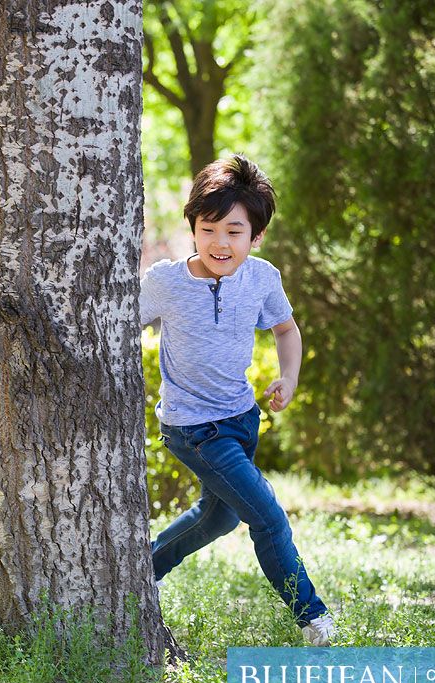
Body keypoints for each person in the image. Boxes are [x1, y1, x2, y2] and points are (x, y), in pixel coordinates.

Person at [139, 155, 336, 646]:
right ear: (192, 228)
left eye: (234, 231)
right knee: (266, 515)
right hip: (193, 428)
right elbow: (114, 322)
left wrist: (288, 378)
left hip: (243, 418)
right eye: (208, 229)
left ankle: (140, 571)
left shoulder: (262, 278)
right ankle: (313, 616)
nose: (220, 243)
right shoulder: (167, 282)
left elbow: (287, 331)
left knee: (218, 516)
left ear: (256, 236)